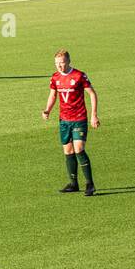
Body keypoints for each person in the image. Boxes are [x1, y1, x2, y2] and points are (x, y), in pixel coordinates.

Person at [42, 49, 99, 196]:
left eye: (62, 63)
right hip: (64, 120)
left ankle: (90, 184)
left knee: (79, 149)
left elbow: (92, 94)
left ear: (68, 61)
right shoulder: (55, 77)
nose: (59, 66)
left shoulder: (79, 75)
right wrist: (47, 110)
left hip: (79, 118)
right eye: (56, 64)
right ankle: (73, 184)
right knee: (68, 151)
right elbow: (53, 94)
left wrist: (94, 115)